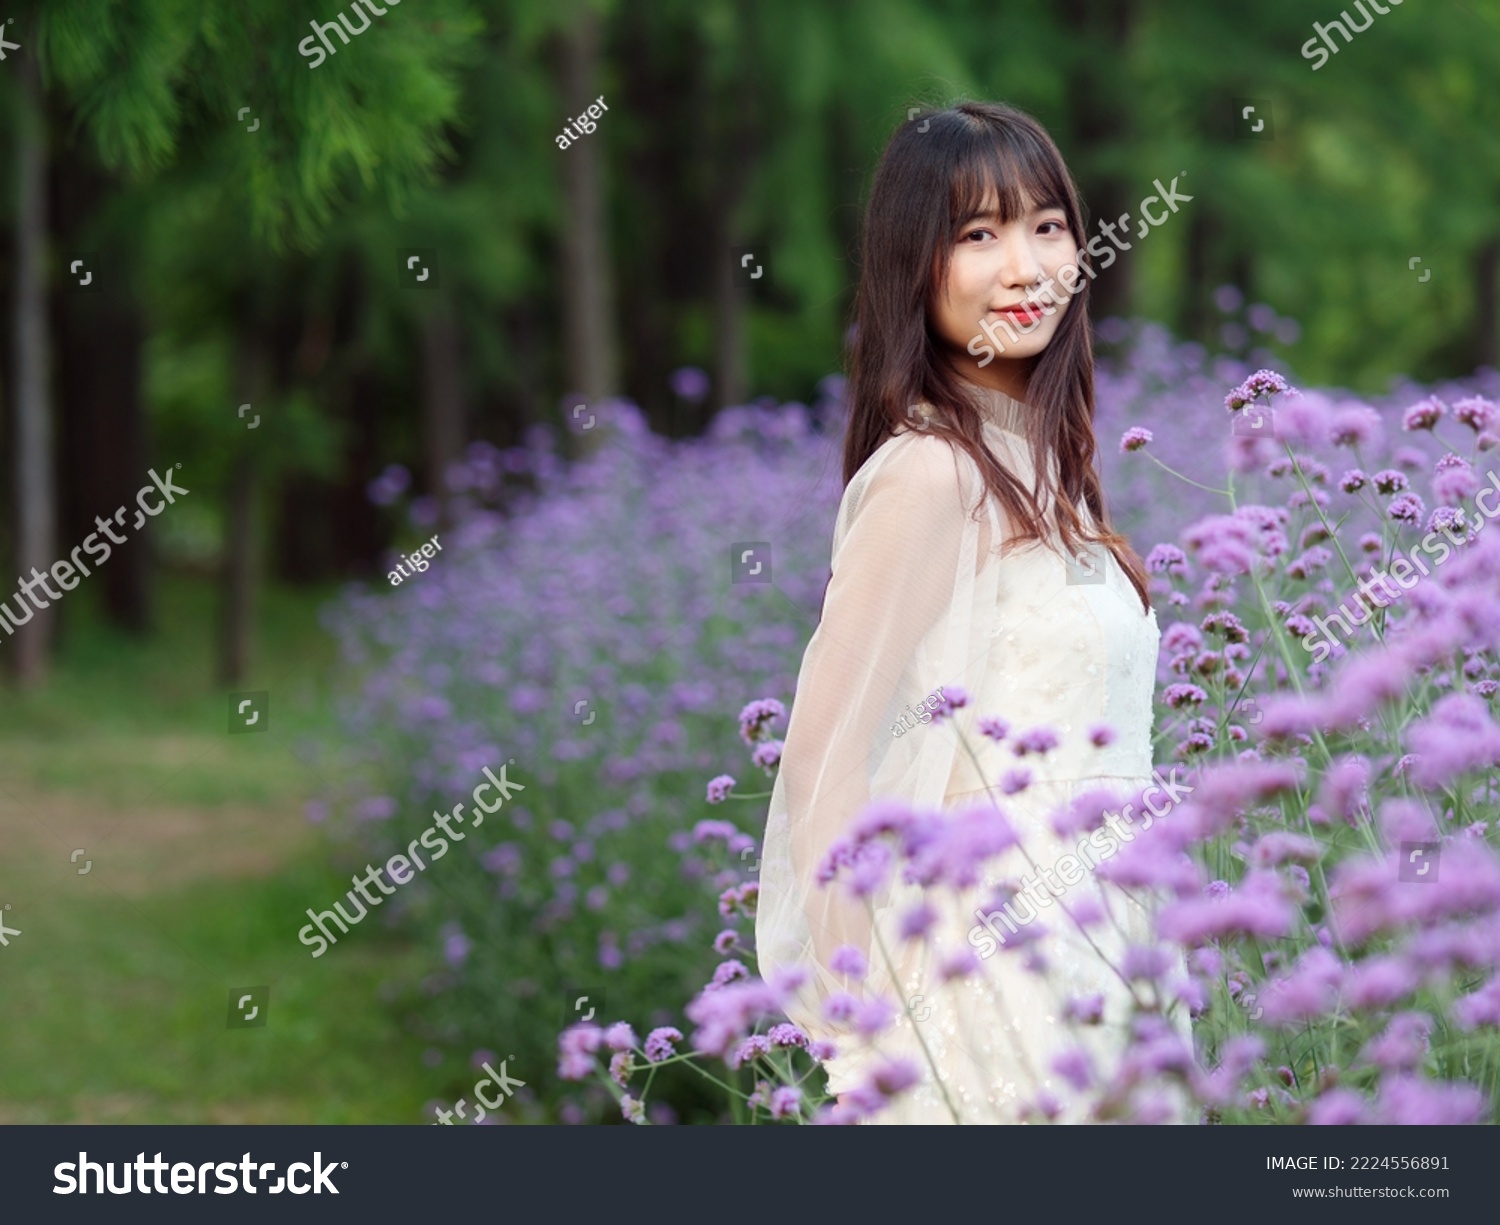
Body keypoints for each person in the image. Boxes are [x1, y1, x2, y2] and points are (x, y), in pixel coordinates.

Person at [755, 101, 1183, 1123]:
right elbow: (823, 758)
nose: (1026, 266)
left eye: (1046, 226)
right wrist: (857, 1026)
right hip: (986, 979)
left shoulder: (1050, 465)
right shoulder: (931, 475)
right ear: (918, 263)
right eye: (979, 234)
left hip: (1108, 953)